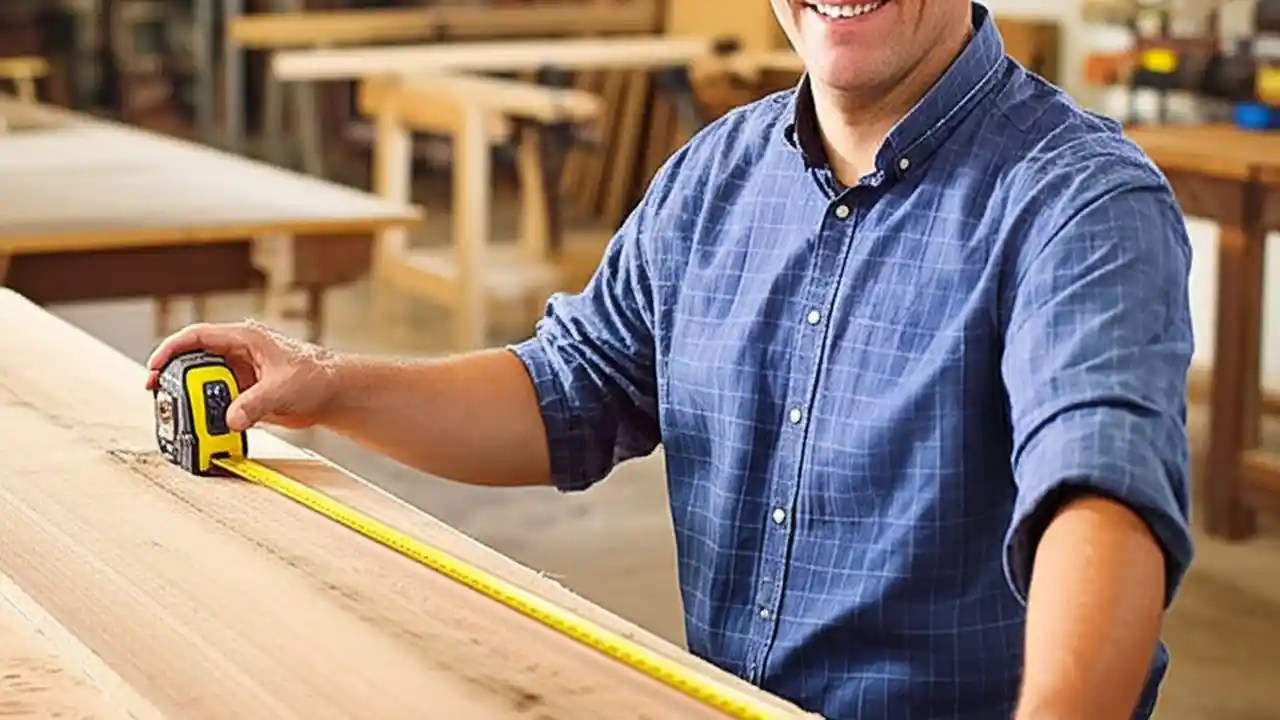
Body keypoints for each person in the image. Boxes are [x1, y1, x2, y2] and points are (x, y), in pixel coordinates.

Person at [146, 1, 1196, 717]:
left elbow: (1095, 497)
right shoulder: (713, 178)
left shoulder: (1077, 201)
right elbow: (566, 392)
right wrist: (327, 385)